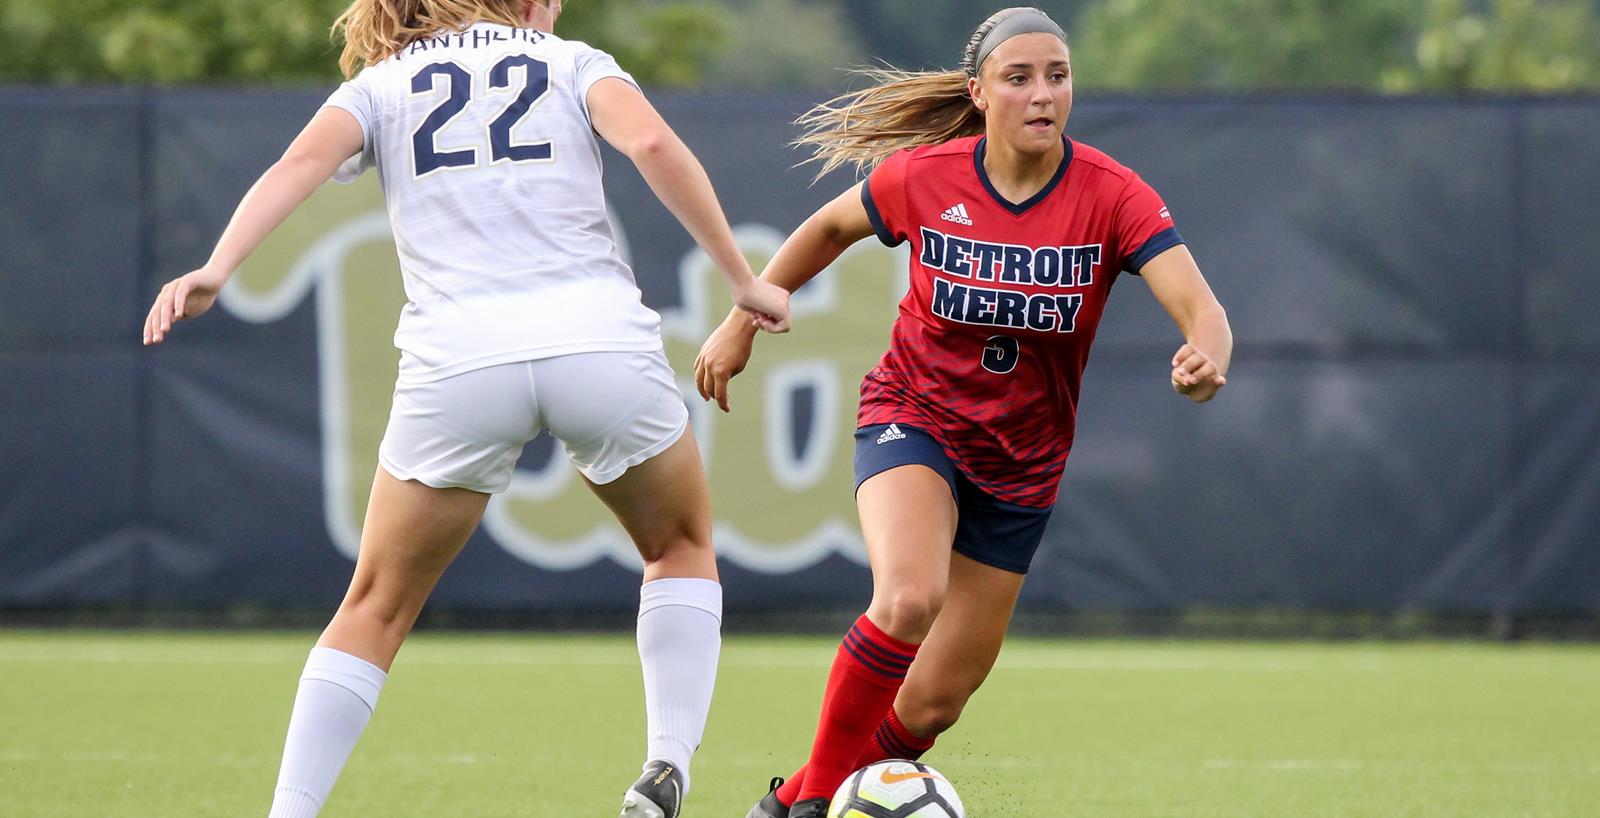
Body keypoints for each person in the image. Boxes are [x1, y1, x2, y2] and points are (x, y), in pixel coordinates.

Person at [142, 2, 791, 817]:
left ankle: (290, 812)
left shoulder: (381, 84)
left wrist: (216, 267)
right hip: (594, 341)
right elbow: (654, 144)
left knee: (374, 606)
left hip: (459, 362)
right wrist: (741, 277)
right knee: (680, 545)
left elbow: (296, 166)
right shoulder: (571, 61)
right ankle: (665, 762)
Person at [693, 7, 1232, 818]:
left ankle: (791, 801)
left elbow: (1204, 308)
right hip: (914, 418)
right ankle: (812, 815)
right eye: (1019, 78)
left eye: (1058, 75)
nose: (1043, 93)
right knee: (908, 598)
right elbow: (830, 226)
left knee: (934, 705)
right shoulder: (927, 176)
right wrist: (743, 321)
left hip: (1022, 465)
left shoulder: (1113, 195)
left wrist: (1207, 355)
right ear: (980, 94)